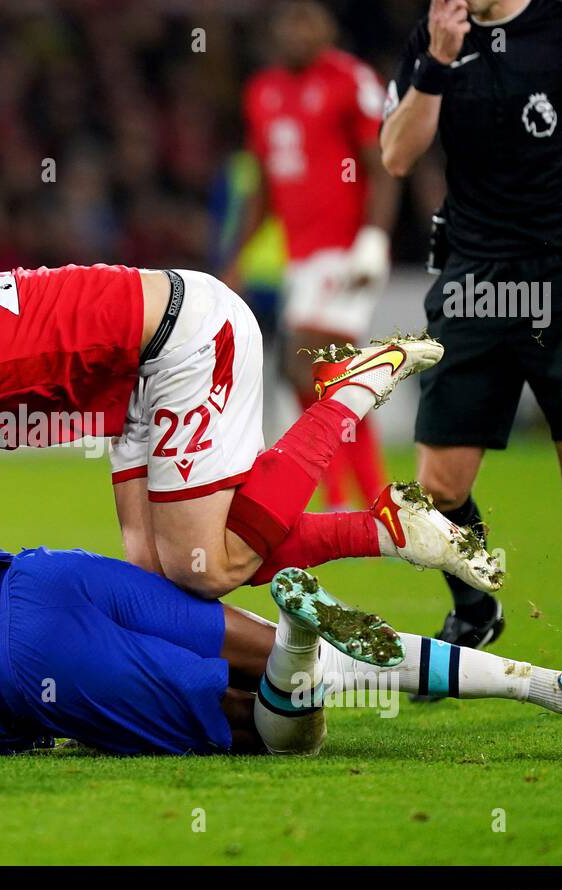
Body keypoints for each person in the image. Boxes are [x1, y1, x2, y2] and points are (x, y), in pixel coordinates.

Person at [0, 266, 502, 714]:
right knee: (163, 575)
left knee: (207, 564)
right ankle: (388, 528)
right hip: (130, 383)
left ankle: (348, 395)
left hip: (182, 340)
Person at [379, 0, 562, 682]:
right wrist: (438, 62)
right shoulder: (436, 34)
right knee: (436, 488)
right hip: (474, 281)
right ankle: (475, 608)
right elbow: (395, 155)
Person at [0, 535, 562, 757]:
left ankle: (298, 643)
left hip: (31, 663)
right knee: (284, 655)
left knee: (263, 729)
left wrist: (28, 724)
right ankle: (552, 685)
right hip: (48, 576)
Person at [231, 0, 400, 509]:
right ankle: (366, 496)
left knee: (306, 361)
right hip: (302, 255)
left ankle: (348, 494)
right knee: (324, 373)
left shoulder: (350, 79)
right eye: (288, 22)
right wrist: (236, 257)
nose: (296, 31)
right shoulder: (262, 92)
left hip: (347, 250)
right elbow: (263, 185)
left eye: (307, 20)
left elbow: (380, 163)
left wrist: (374, 238)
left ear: (326, 28)